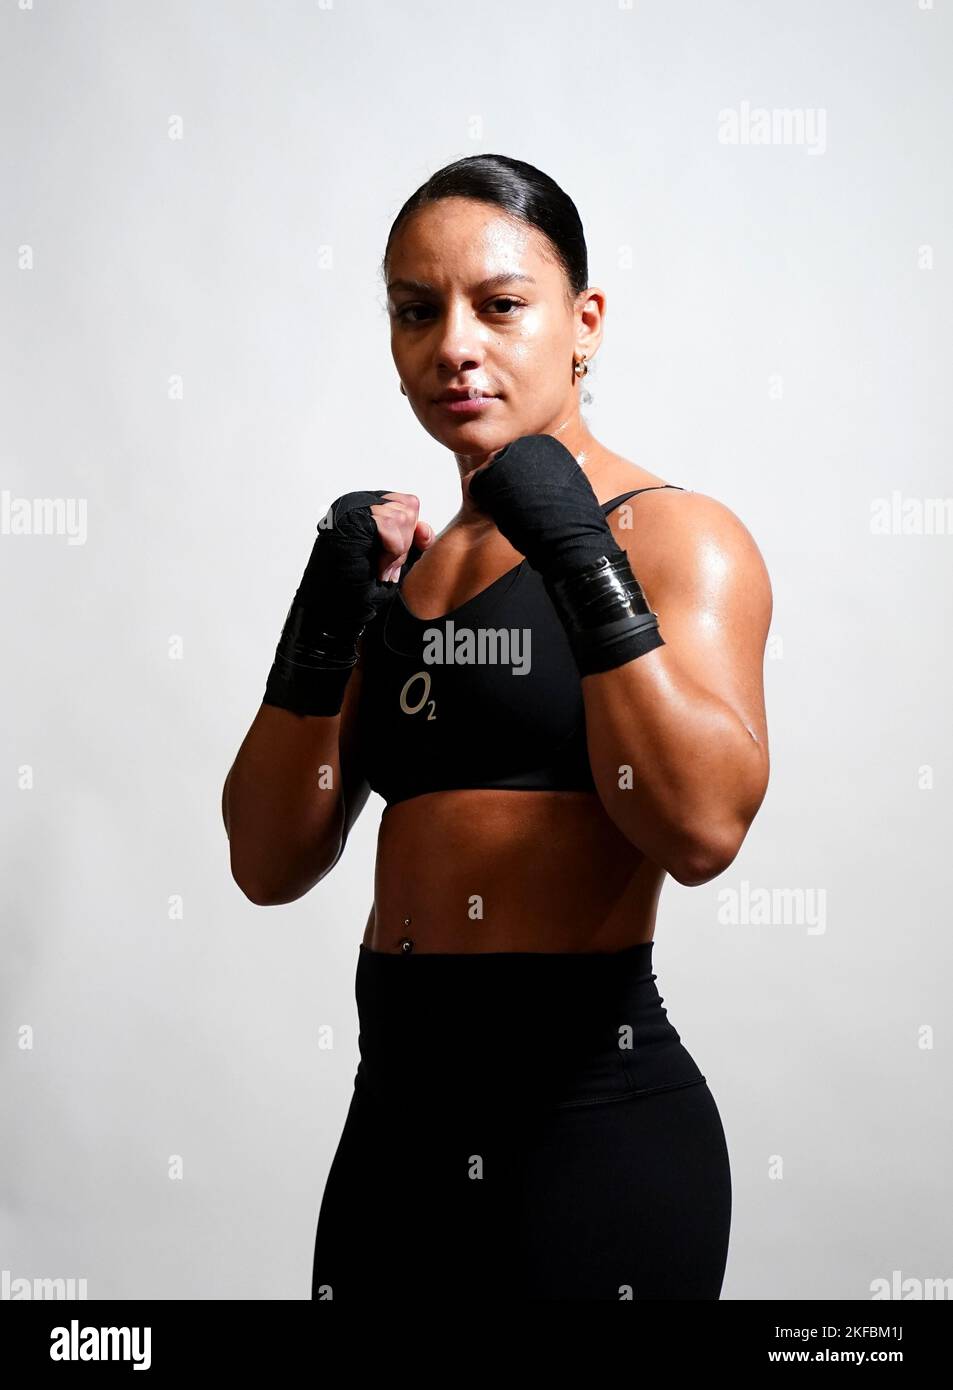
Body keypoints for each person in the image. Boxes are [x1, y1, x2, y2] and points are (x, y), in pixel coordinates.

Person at [222, 153, 772, 1301]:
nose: (453, 345)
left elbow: (700, 827)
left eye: (500, 305)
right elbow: (268, 860)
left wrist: (579, 555)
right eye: (415, 312)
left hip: (586, 1129)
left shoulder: (679, 535)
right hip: (392, 1129)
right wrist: (324, 625)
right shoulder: (402, 570)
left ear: (584, 322)